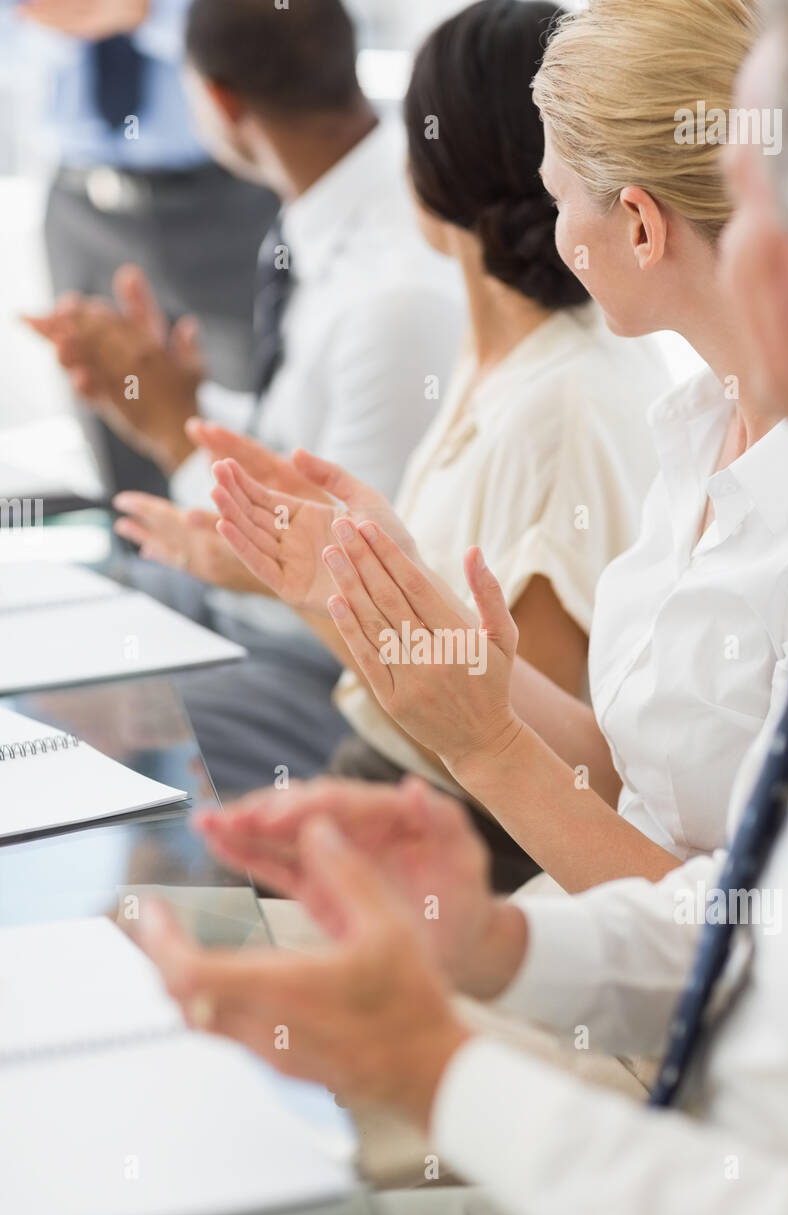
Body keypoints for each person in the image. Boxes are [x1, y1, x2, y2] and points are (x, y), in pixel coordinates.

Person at [126, 0, 788, 1215]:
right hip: (614, 989)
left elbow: (742, 964)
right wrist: (399, 618)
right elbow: (703, 860)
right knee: (135, 973)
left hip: (678, 1112)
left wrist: (486, 763)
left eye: (756, 206)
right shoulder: (698, 428)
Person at [212, 0, 788, 896]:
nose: (550, 232)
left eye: (557, 199)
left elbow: (738, 933)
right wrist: (402, 595)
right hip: (592, 932)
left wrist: (490, 748)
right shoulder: (698, 431)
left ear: (640, 225)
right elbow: (629, 777)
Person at [91, 0, 671, 892]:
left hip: (457, 830)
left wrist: (317, 585)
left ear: (431, 168)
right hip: (399, 768)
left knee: (153, 848)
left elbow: (525, 771)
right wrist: (319, 564)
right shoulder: (495, 356)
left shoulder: (556, 405)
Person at [27, 0, 464, 795]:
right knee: (41, 632)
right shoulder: (327, 215)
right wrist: (177, 403)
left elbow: (342, 579)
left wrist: (178, 437)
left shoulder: (392, 292)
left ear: (219, 101)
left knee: (71, 741)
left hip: (324, 664)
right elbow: (303, 449)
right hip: (249, 614)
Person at [10, 0, 277, 496]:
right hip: (81, 199)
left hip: (221, 196)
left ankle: (250, 539)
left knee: (253, 411)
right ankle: (139, 540)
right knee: (109, 396)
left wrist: (150, 13)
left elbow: (281, 26)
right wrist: (41, 18)